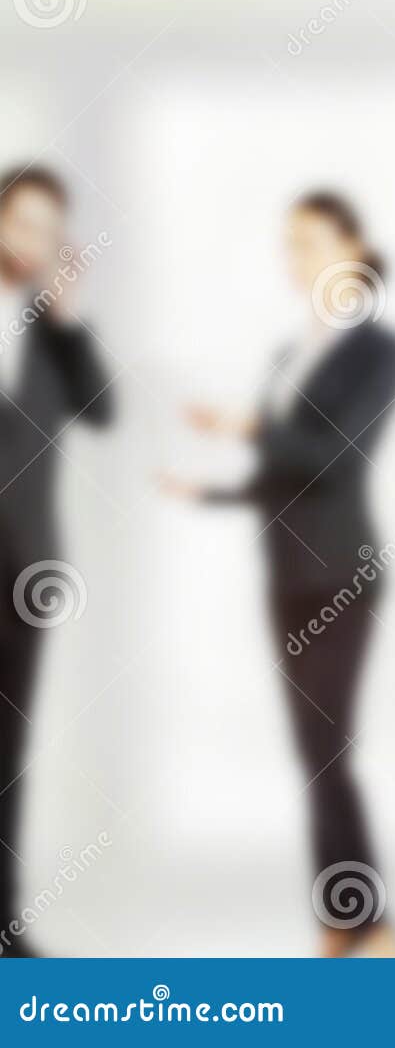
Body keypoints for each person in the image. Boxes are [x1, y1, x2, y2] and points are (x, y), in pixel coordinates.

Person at [162, 191, 395, 956]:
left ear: (351, 246)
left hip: (340, 573)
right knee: (312, 751)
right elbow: (280, 473)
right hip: (285, 572)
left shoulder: (377, 348)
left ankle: (366, 922)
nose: (295, 257)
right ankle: (342, 919)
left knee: (328, 747)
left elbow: (331, 456)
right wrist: (211, 491)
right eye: (288, 243)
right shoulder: (284, 355)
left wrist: (246, 424)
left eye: (310, 241)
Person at [0, 164, 115, 958]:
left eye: (49, 228)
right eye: (21, 221)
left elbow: (102, 408)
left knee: (8, 755)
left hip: (23, 573)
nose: (33, 240)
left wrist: (70, 318)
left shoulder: (49, 328)